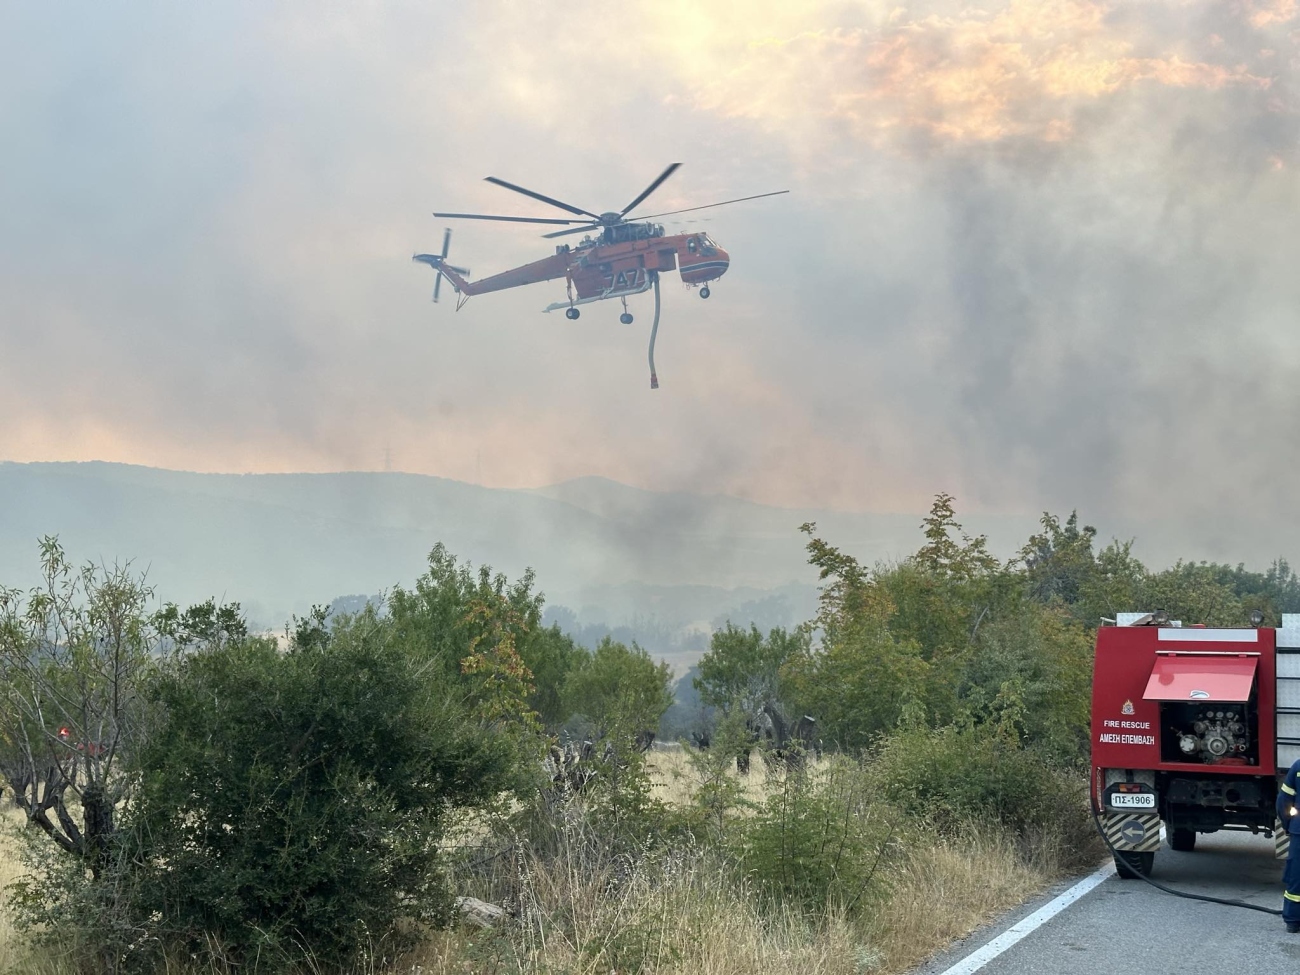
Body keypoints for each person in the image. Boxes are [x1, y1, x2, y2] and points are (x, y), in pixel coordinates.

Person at [1278, 758, 1300, 932]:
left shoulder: (1298, 766)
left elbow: (1284, 801)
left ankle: (1293, 920)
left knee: (1297, 875)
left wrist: (1288, 825)